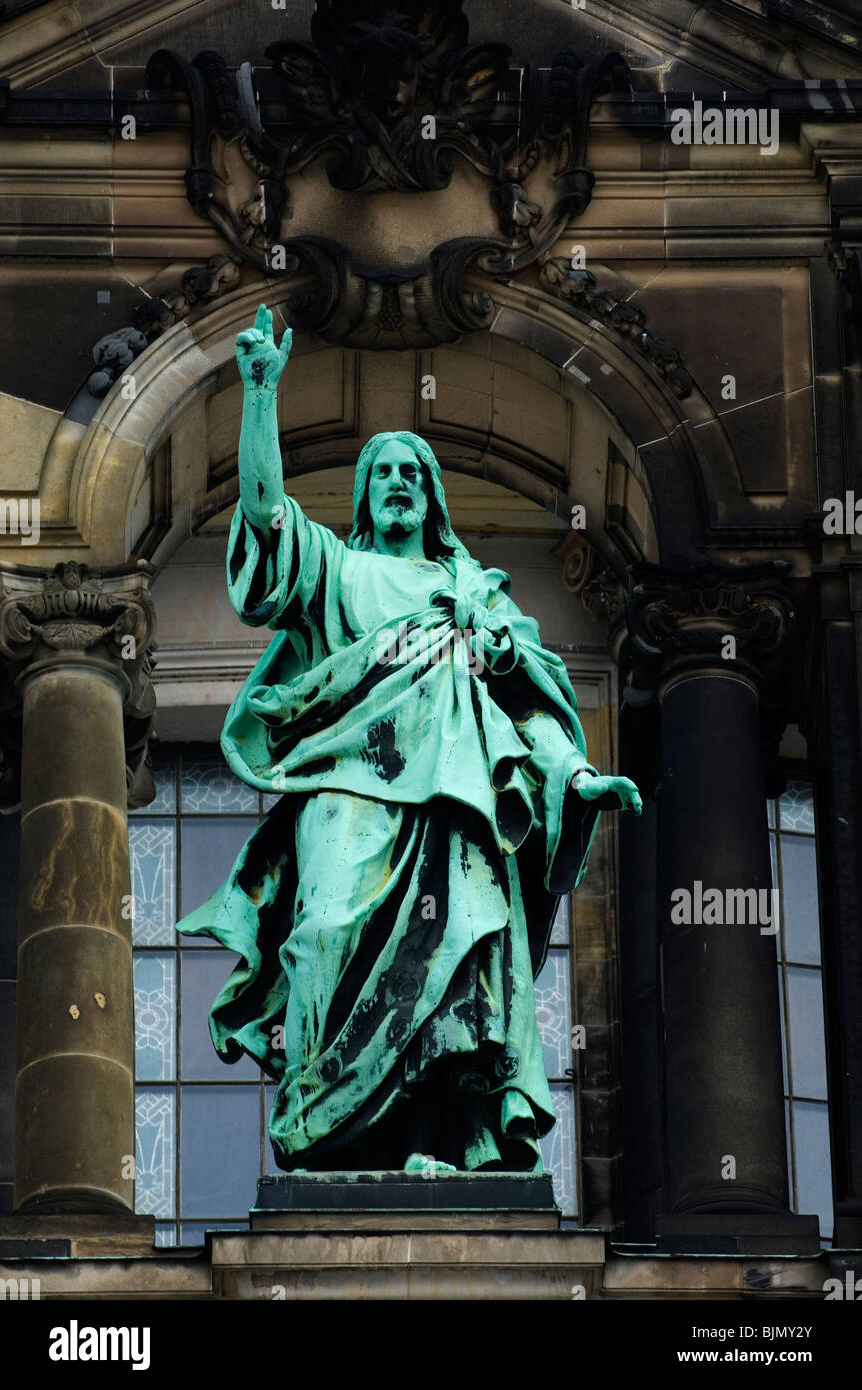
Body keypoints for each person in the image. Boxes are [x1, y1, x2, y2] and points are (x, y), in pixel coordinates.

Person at [177, 304, 641, 1174]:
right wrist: (259, 397)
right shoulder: (338, 570)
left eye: (410, 474)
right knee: (319, 935)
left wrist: (575, 775)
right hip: (348, 786)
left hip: (456, 802)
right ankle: (323, 1132)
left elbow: (527, 708)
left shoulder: (475, 593)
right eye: (380, 472)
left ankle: (440, 1144)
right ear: (363, 497)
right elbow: (268, 516)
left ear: (430, 497)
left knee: (457, 961)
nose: (396, 481)